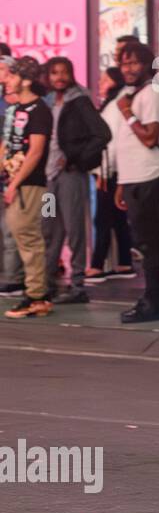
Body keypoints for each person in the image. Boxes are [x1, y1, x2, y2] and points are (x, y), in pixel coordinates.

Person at [109, 42, 159, 322]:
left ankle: (153, 300)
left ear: (147, 63)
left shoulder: (154, 92)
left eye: (134, 63)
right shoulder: (134, 93)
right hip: (134, 177)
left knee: (148, 242)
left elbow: (149, 137)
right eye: (124, 64)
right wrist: (123, 182)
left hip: (148, 174)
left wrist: (127, 112)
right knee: (142, 241)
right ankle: (150, 298)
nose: (128, 69)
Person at [40, 57, 109, 304]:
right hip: (48, 178)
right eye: (54, 72)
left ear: (71, 74)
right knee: (48, 227)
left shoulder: (79, 101)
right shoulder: (48, 101)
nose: (59, 77)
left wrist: (75, 159)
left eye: (64, 72)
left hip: (70, 176)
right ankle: (46, 283)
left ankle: (77, 285)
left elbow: (102, 134)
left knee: (74, 229)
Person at [1, 58, 54, 318]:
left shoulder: (39, 110)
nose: (6, 81)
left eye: (12, 76)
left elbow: (35, 151)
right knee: (21, 236)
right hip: (13, 180)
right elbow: (8, 143)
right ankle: (34, 292)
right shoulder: (15, 109)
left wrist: (15, 182)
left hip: (28, 183)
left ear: (26, 80)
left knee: (28, 237)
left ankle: (37, 296)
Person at [86, 67, 137, 285]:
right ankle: (124, 263)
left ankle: (97, 265)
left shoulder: (117, 104)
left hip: (111, 169)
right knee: (117, 218)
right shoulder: (116, 101)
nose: (100, 82)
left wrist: (103, 173)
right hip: (114, 168)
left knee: (104, 218)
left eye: (105, 79)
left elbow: (113, 141)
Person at [0, 55, 25, 296]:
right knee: (8, 229)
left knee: (44, 226)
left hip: (40, 182)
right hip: (9, 178)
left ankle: (36, 282)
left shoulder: (34, 106)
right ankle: (12, 277)